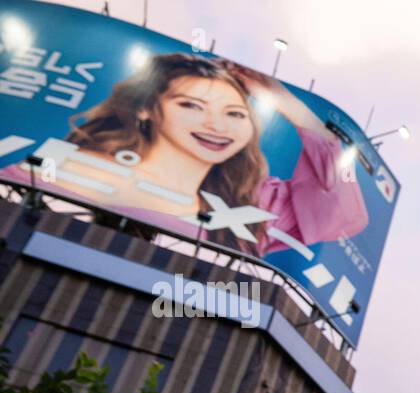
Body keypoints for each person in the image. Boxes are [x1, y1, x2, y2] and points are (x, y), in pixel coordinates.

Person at [2, 53, 367, 255]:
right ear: (146, 107)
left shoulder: (249, 206)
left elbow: (344, 210)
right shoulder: (67, 167)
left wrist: (288, 104)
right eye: (192, 106)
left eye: (234, 114)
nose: (216, 125)